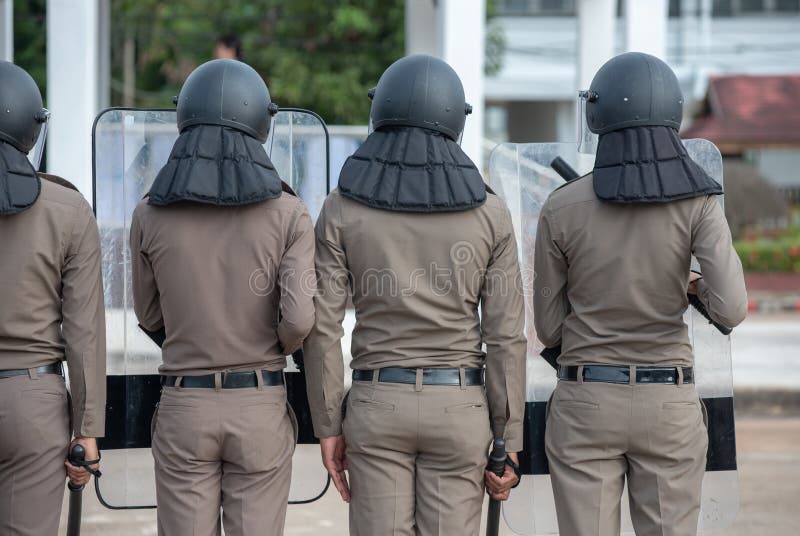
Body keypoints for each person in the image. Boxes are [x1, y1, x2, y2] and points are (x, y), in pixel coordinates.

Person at [304, 54, 526, 536]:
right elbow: (506, 335)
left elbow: (322, 325)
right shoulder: (491, 214)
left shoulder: (341, 207)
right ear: (455, 120)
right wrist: (507, 436)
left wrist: (327, 424)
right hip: (460, 408)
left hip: (377, 404)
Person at [534, 52, 748, 536]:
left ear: (597, 114)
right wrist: (691, 287)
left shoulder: (561, 206)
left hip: (586, 400)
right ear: (673, 112)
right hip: (667, 404)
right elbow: (732, 307)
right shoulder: (700, 200)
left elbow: (547, 328)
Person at [130, 58, 315, 536]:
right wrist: (268, 346)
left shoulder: (149, 213)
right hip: (258, 404)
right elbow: (298, 320)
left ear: (184, 118)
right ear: (260, 121)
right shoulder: (290, 213)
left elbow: (148, 314)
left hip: (183, 407)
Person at [0, 61, 106, 535]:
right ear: (33, 128)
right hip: (33, 403)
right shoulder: (67, 210)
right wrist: (87, 430)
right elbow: (84, 332)